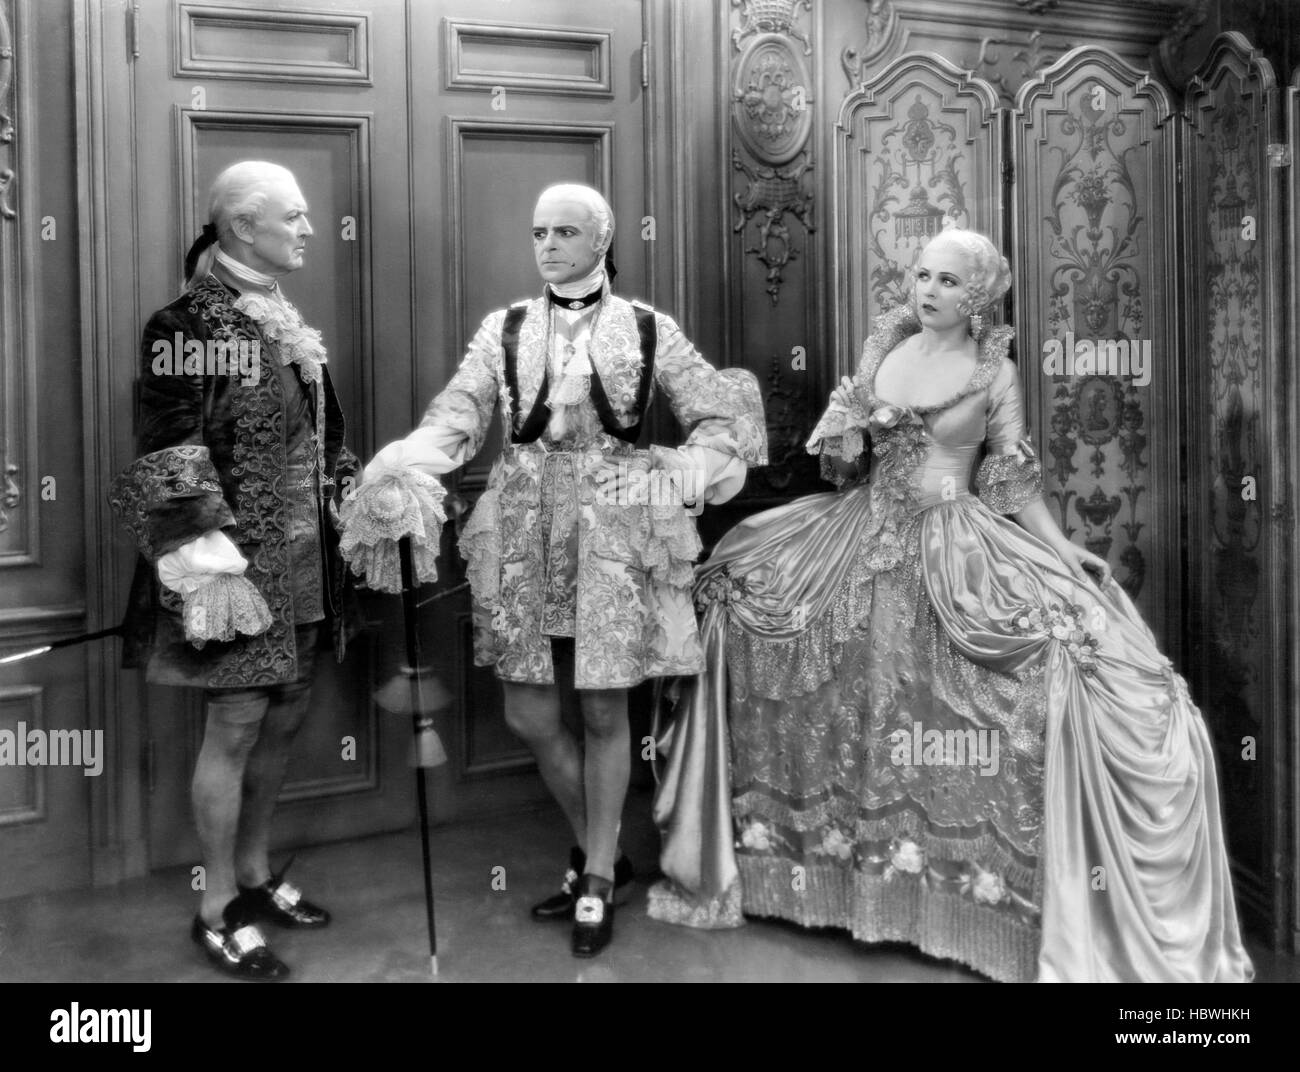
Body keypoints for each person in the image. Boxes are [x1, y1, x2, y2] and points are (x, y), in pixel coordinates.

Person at [649, 228, 1254, 983]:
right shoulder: (884, 352)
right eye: (920, 276)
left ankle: (988, 897)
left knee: (1065, 657)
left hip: (954, 541)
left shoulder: (994, 371)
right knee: (741, 595)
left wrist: (1062, 553)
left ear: (977, 296)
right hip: (859, 535)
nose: (925, 291)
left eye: (944, 281)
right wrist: (841, 430)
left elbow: (1011, 480)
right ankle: (814, 868)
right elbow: (841, 470)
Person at [361, 183, 766, 956]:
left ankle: (599, 875)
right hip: (520, 530)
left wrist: (670, 469)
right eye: (538, 231)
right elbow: (461, 411)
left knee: (607, 712)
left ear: (601, 239)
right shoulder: (503, 327)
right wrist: (410, 456)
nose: (547, 245)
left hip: (615, 532)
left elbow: (724, 419)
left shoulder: (648, 329)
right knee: (531, 714)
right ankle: (603, 850)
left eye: (566, 232)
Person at [110, 161, 357, 980]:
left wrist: (363, 496)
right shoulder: (181, 323)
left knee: (286, 715)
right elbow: (169, 453)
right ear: (243, 227)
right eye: (294, 216)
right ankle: (217, 905)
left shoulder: (278, 312)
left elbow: (313, 439)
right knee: (238, 724)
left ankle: (254, 873)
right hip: (235, 569)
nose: (309, 229)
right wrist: (210, 568)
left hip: (305, 559)